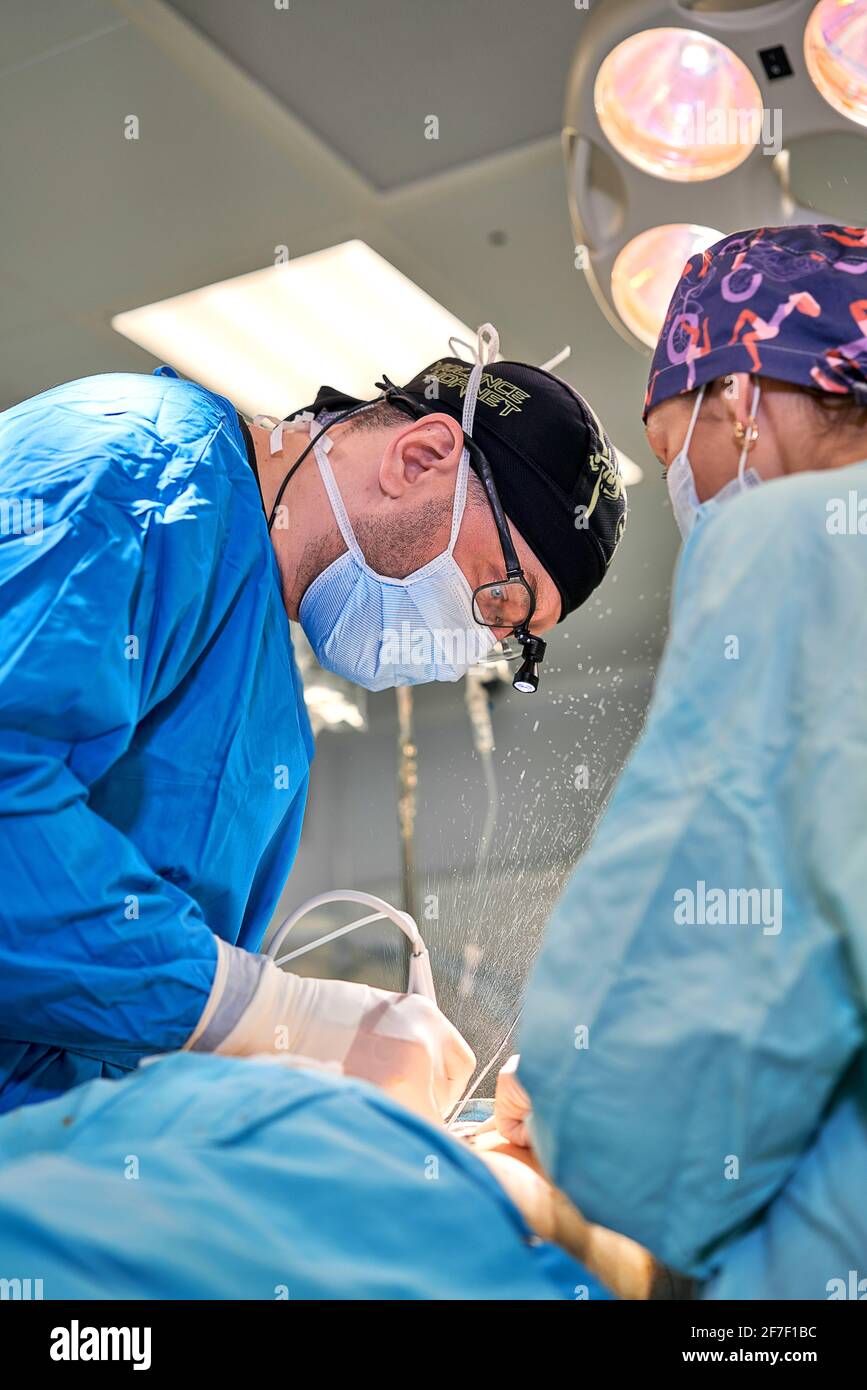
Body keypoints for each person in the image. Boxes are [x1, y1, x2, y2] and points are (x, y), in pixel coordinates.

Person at [0, 324, 626, 1113]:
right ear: (421, 458)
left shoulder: (269, 708)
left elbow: (129, 1003)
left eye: (508, 641)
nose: (476, 643)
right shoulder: (138, 471)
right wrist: (268, 1013)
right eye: (495, 594)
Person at [504, 224, 867, 1298]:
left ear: (742, 397)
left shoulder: (806, 545)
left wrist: (562, 1097)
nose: (682, 483)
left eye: (673, 445)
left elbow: (644, 1131)